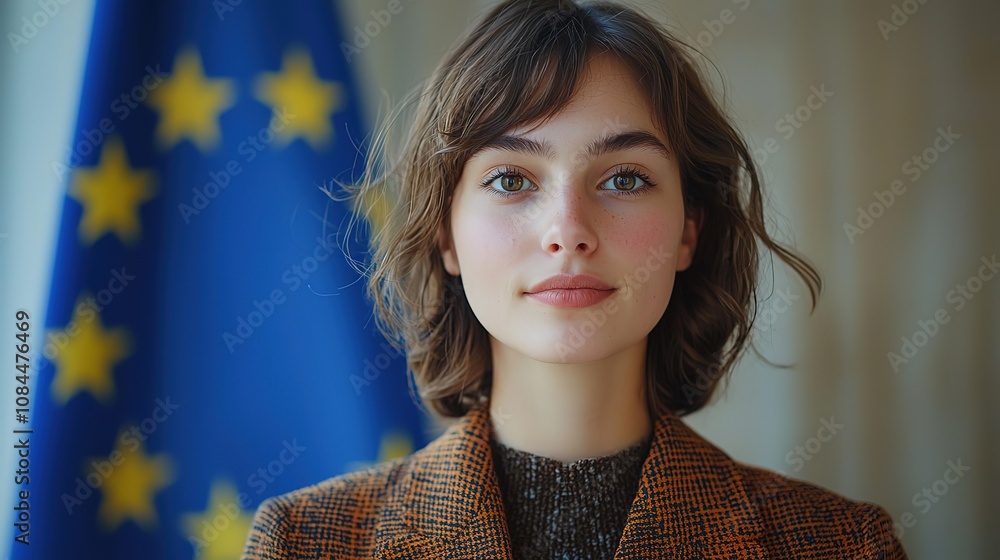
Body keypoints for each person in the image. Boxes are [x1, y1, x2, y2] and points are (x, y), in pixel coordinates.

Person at [242, 0, 908, 558]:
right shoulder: (305, 542)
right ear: (445, 234)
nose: (568, 229)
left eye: (624, 179)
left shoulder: (841, 544)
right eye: (510, 180)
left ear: (687, 232)